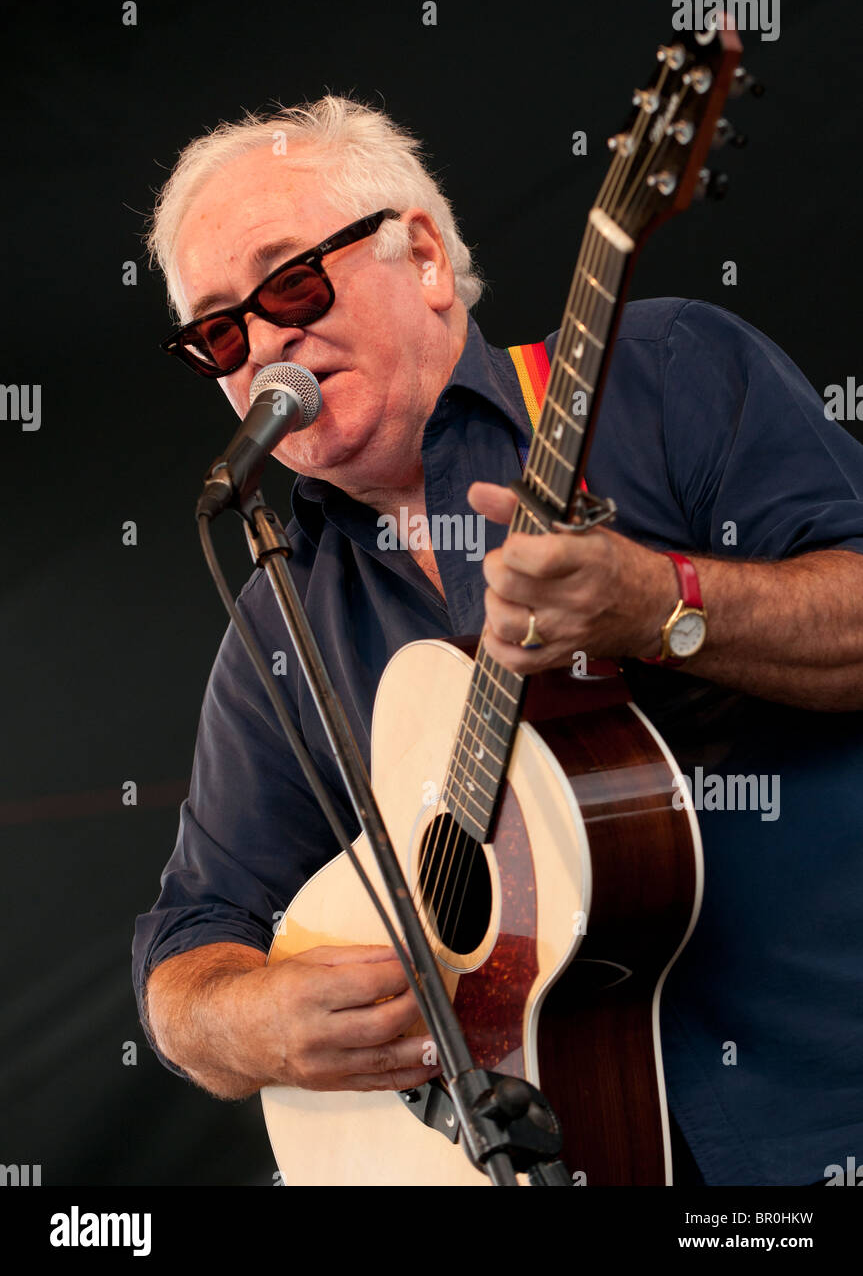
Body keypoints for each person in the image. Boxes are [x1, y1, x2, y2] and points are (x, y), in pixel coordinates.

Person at [133, 96, 863, 1186]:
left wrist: (661, 602)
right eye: (219, 332)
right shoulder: (282, 615)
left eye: (290, 281)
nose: (264, 341)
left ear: (421, 253)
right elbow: (187, 939)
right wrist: (250, 1021)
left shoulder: (664, 374)